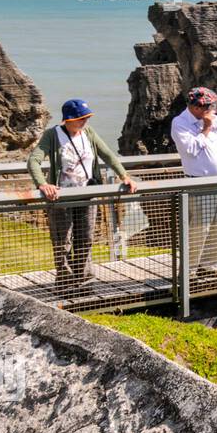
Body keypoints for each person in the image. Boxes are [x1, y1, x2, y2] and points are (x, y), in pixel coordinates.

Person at [27, 99, 136, 296]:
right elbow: (34, 160)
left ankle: (84, 282)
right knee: (63, 241)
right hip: (60, 198)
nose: (85, 121)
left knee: (85, 238)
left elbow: (108, 155)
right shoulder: (53, 135)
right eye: (81, 118)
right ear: (68, 119)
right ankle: (65, 284)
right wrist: (43, 184)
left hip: (87, 194)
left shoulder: (89, 133)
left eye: (87, 117)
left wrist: (124, 176)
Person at [171, 86, 217, 277]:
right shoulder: (180, 123)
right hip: (200, 182)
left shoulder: (212, 115)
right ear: (195, 107)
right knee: (200, 227)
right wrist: (207, 128)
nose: (210, 110)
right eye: (207, 107)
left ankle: (211, 264)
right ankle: (190, 270)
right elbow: (190, 149)